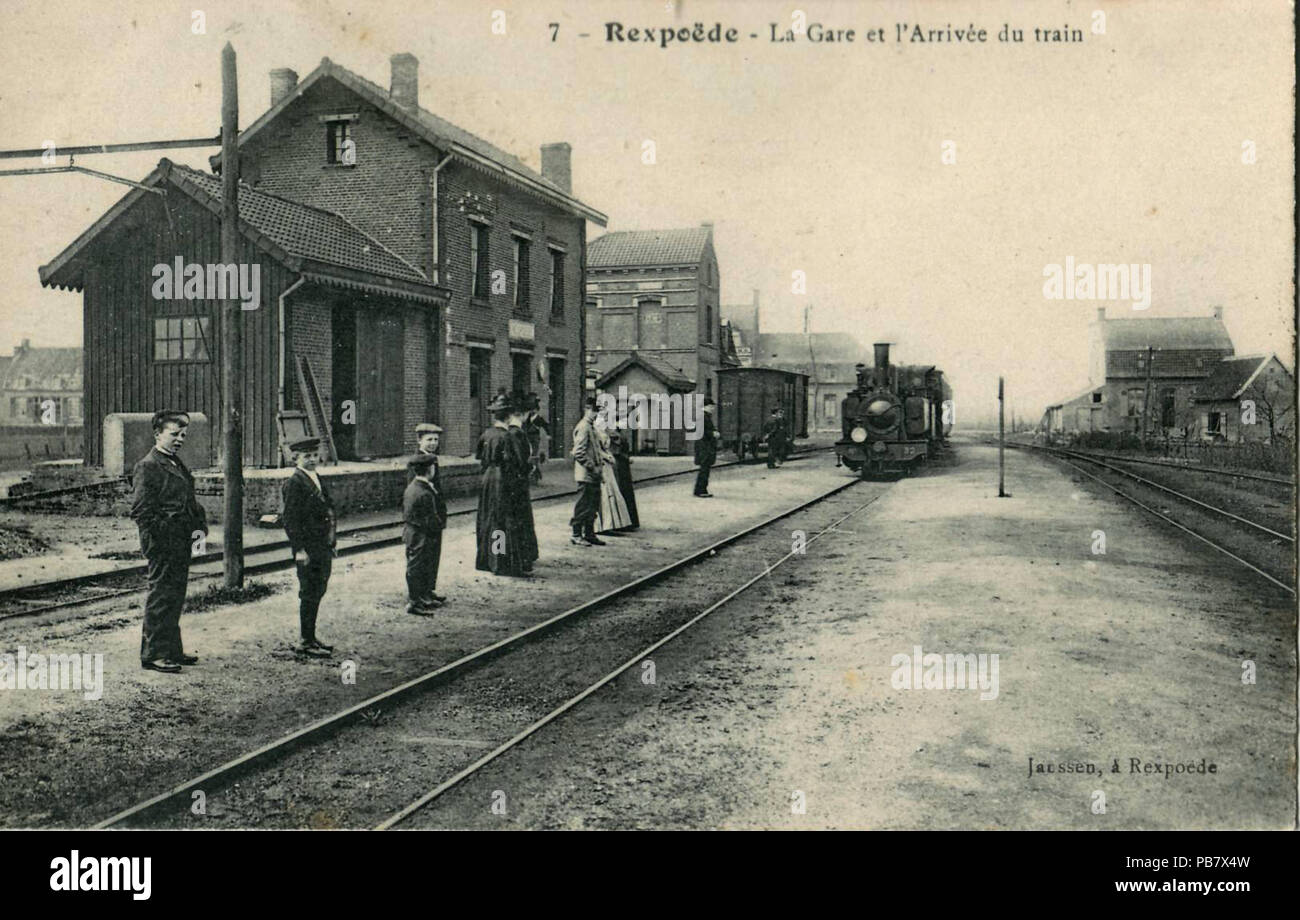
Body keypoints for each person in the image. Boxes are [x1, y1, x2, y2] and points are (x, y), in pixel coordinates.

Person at [130, 409, 207, 673]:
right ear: (157, 434)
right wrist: (164, 537)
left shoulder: (175, 462)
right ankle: (153, 654)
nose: (180, 439)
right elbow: (141, 511)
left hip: (180, 542)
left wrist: (198, 528)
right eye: (174, 434)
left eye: (183, 434)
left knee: (175, 595)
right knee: (161, 596)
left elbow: (188, 501)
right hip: (164, 543)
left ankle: (172, 650)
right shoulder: (148, 466)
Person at [280, 437, 336, 657]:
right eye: (307, 456)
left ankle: (311, 637)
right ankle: (305, 640)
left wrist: (331, 542)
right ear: (296, 458)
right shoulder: (295, 482)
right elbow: (291, 520)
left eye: (314, 455)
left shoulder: (316, 477)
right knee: (309, 591)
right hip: (308, 547)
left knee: (318, 588)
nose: (312, 459)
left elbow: (328, 510)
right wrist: (299, 550)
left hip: (322, 545)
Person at [475, 394, 528, 575]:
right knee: (503, 519)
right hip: (504, 479)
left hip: (487, 479)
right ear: (508, 416)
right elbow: (518, 463)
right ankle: (500, 562)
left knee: (488, 517)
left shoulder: (486, 434)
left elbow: (480, 458)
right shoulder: (509, 437)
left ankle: (487, 560)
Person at [403, 451, 447, 615]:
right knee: (416, 566)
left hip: (414, 533)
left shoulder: (414, 487)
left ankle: (421, 597)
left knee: (419, 565)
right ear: (430, 469)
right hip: (421, 535)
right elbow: (431, 517)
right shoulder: (425, 492)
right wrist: (438, 525)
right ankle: (414, 602)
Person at [506, 402, 539, 572]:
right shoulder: (517, 434)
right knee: (522, 519)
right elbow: (522, 460)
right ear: (523, 415)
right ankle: (524, 557)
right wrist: (530, 468)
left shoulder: (509, 433)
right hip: (519, 483)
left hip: (512, 482)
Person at [569, 396, 604, 546]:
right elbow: (579, 452)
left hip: (594, 474)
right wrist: (592, 467)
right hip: (586, 474)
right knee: (583, 504)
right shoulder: (584, 427)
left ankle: (589, 533)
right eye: (594, 411)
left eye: (598, 411)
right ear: (587, 409)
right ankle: (576, 534)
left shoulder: (591, 427)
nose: (596, 414)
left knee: (593, 505)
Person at [594, 414, 632, 533]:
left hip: (608, 466)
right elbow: (597, 450)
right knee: (604, 494)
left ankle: (611, 524)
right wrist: (607, 456)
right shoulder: (596, 433)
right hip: (602, 464)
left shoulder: (605, 432)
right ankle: (603, 525)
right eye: (604, 419)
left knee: (611, 492)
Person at [608, 428, 639, 530]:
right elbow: (615, 451)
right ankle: (624, 522)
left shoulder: (620, 433)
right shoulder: (613, 433)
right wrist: (627, 458)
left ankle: (627, 521)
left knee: (625, 491)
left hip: (622, 466)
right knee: (621, 491)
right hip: (618, 466)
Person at [693, 396, 720, 498]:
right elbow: (702, 431)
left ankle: (700, 489)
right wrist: (713, 434)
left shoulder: (704, 416)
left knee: (705, 469)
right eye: (712, 406)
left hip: (704, 446)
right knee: (704, 469)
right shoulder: (703, 417)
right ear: (707, 406)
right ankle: (701, 490)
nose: (713, 409)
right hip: (704, 447)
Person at [522, 393, 550, 485]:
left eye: (534, 410)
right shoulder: (528, 418)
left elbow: (546, 426)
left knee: (534, 455)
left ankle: (535, 476)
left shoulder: (539, 418)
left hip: (535, 438)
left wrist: (548, 434)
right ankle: (530, 474)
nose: (532, 411)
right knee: (527, 454)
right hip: (527, 437)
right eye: (531, 410)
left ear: (537, 410)